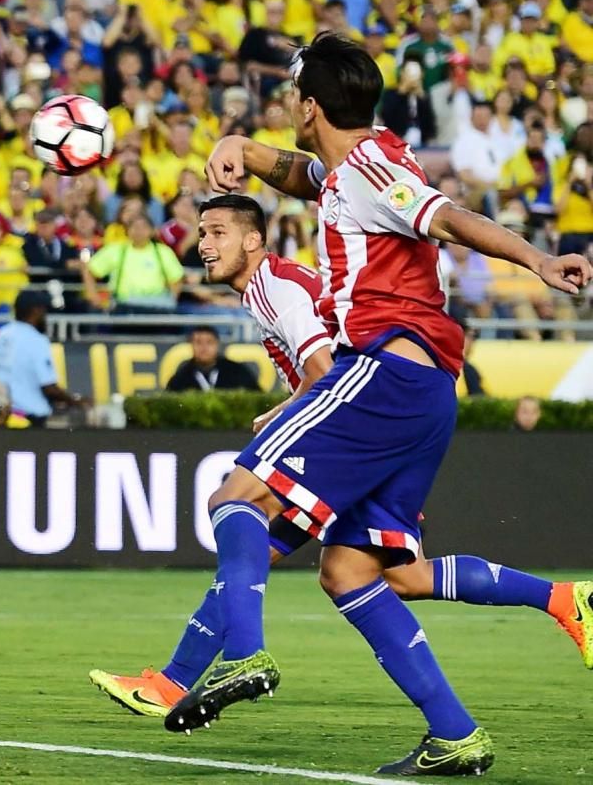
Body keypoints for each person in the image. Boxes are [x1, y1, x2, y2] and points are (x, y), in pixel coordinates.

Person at [172, 34, 593, 775]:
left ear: (308, 106)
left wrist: (535, 258)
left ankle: (243, 656)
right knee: (357, 572)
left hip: (385, 371)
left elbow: (450, 217)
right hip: (422, 388)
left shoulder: (369, 170)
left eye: (292, 96)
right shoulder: (358, 163)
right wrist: (246, 147)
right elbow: (306, 175)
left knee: (237, 492)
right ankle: (459, 729)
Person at [92, 192, 592, 721]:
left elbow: (325, 368)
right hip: (394, 410)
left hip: (365, 411)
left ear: (254, 239)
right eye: (203, 233)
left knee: (237, 503)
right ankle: (560, 604)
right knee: (389, 575)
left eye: (218, 232)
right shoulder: (272, 288)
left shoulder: (274, 287)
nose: (205, 245)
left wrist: (284, 411)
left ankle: (202, 671)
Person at [0, 289, 81, 426]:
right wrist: (75, 401)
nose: (45, 316)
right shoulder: (36, 339)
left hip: (1, 414)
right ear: (36, 311)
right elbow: (48, 387)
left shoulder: (0, 335)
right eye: (44, 311)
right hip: (30, 418)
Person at [164, 325, 260, 392]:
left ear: (217, 345)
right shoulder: (180, 378)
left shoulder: (237, 371)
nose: (204, 347)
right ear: (191, 345)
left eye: (209, 342)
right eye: (198, 342)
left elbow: (257, 395)